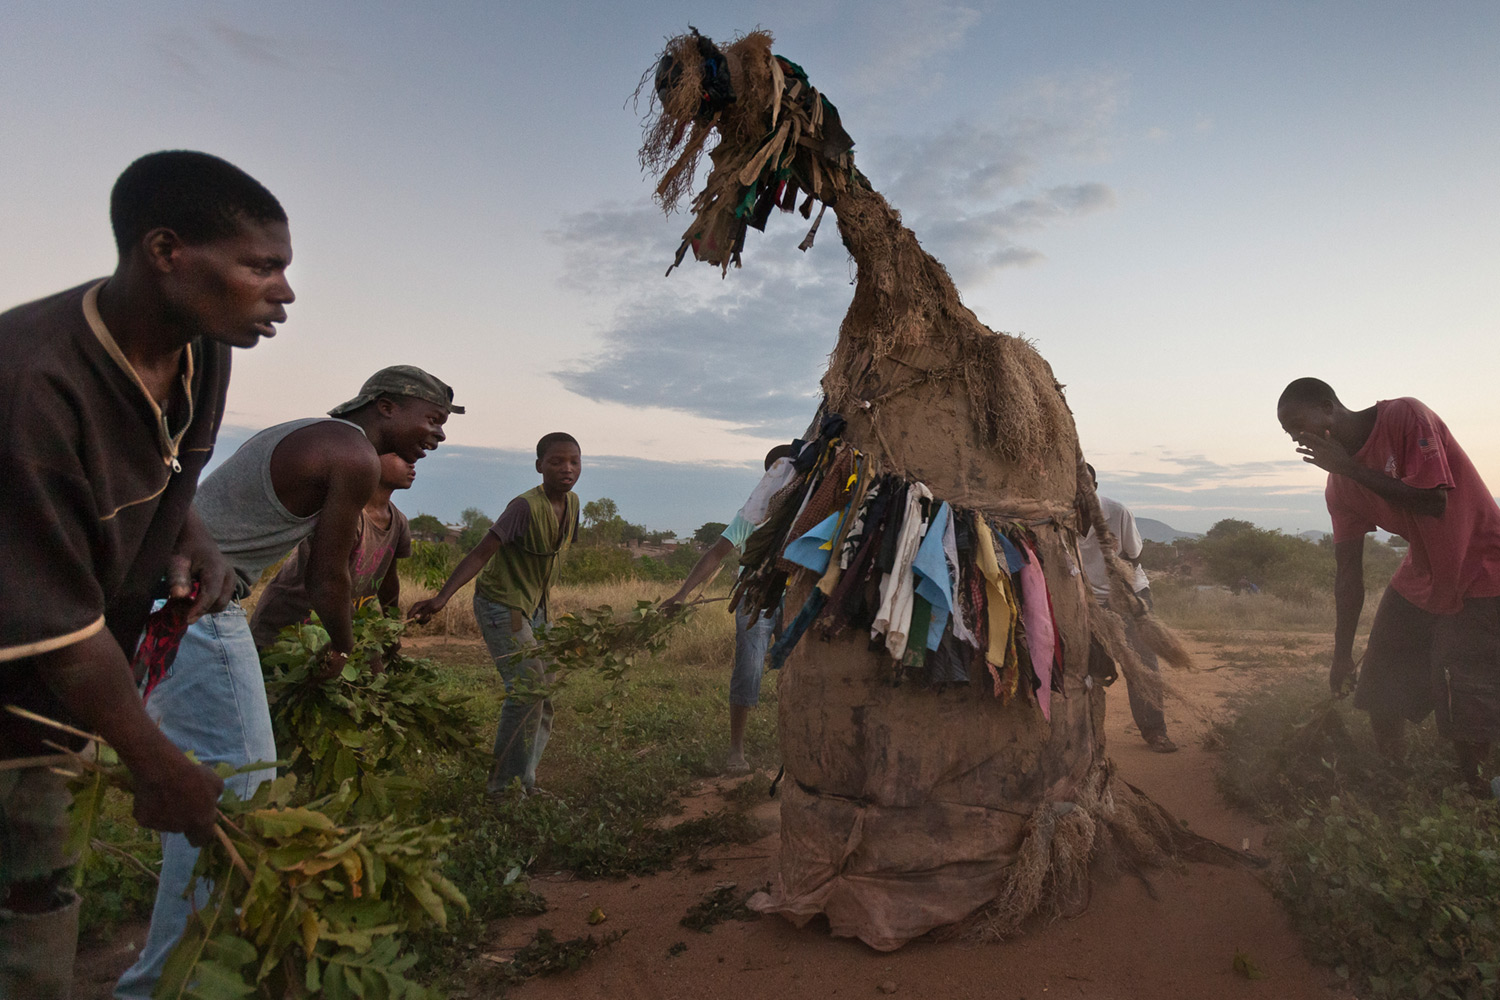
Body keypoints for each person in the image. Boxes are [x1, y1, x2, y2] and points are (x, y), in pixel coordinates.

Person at [0, 150, 292, 999]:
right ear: (166, 251)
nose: (283, 292)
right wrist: (154, 757)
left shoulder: (202, 351)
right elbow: (60, 636)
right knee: (28, 917)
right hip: (19, 697)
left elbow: (165, 467)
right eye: (261, 265)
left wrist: (187, 530)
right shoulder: (31, 385)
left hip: (59, 692)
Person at [117, 366, 461, 998]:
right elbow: (331, 576)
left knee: (204, 784)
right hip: (195, 607)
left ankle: (187, 963)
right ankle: (168, 983)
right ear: (386, 407)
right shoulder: (352, 455)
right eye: (431, 419)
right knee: (239, 793)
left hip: (162, 602)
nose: (437, 436)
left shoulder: (316, 435)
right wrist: (345, 650)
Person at [1277, 377, 1500, 792]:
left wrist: (1350, 468)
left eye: (1297, 423)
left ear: (1328, 407)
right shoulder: (1339, 488)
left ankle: (1476, 791)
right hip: (1422, 573)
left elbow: (1435, 500)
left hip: (1484, 568)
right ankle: (1394, 779)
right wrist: (1341, 656)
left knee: (1462, 688)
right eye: (1288, 432)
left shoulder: (1404, 415)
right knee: (1381, 678)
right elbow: (1348, 574)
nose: (1296, 436)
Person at [409, 433, 581, 796]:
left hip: (536, 607)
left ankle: (524, 780)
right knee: (526, 691)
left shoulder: (574, 504)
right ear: (539, 467)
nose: (567, 469)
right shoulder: (523, 507)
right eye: (556, 462)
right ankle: (503, 788)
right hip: (501, 604)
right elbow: (480, 552)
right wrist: (442, 598)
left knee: (543, 693)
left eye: (574, 462)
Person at [662, 444, 798, 773]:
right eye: (775, 475)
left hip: (796, 600)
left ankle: (794, 750)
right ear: (766, 480)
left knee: (799, 673)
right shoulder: (752, 515)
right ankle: (736, 751)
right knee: (749, 669)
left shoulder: (806, 511)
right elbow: (716, 553)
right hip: (756, 598)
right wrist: (681, 593)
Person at [250, 451, 417, 648]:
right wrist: (359, 641)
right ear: (372, 458)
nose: (412, 461)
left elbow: (389, 581)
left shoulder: (399, 523)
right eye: (399, 455)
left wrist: (392, 628)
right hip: (286, 626)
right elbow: (332, 583)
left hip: (333, 631)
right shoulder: (344, 515)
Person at [1078, 464, 1178, 753]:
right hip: (1088, 601)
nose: (1078, 492)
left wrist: (1118, 596)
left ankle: (1155, 731)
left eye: (1084, 486)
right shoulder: (1058, 516)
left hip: (1129, 596)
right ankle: (1088, 736)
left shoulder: (1117, 512)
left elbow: (1135, 556)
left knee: (1141, 664)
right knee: (1087, 667)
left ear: (1094, 487)